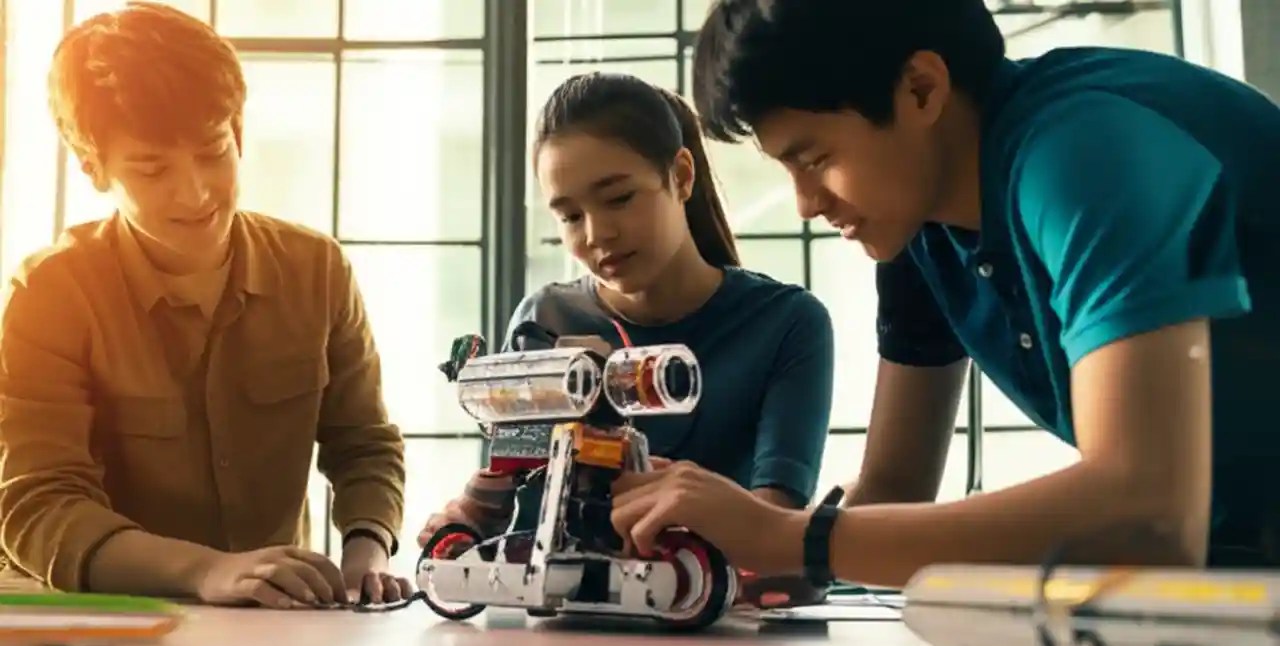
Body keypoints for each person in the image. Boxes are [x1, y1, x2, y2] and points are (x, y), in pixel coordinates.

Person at [610, 0, 1280, 587]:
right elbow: (895, 489)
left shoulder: (1083, 153)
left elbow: (1148, 516)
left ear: (922, 89)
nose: (807, 204)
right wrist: (730, 549)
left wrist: (791, 541)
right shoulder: (921, 228)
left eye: (814, 159)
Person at [0, 3, 411, 606]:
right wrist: (205, 571)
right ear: (93, 168)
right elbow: (36, 503)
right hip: (90, 628)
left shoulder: (316, 269)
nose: (193, 193)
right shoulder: (49, 293)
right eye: (151, 169)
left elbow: (366, 444)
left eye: (213, 152)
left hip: (272, 625)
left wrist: (364, 554)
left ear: (238, 134)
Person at [419, 72, 835, 603]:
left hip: (721, 635)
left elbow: (775, 524)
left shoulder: (787, 323)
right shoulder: (542, 321)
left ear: (681, 176)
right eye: (570, 215)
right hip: (558, 635)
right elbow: (518, 489)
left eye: (618, 198)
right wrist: (471, 521)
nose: (597, 235)